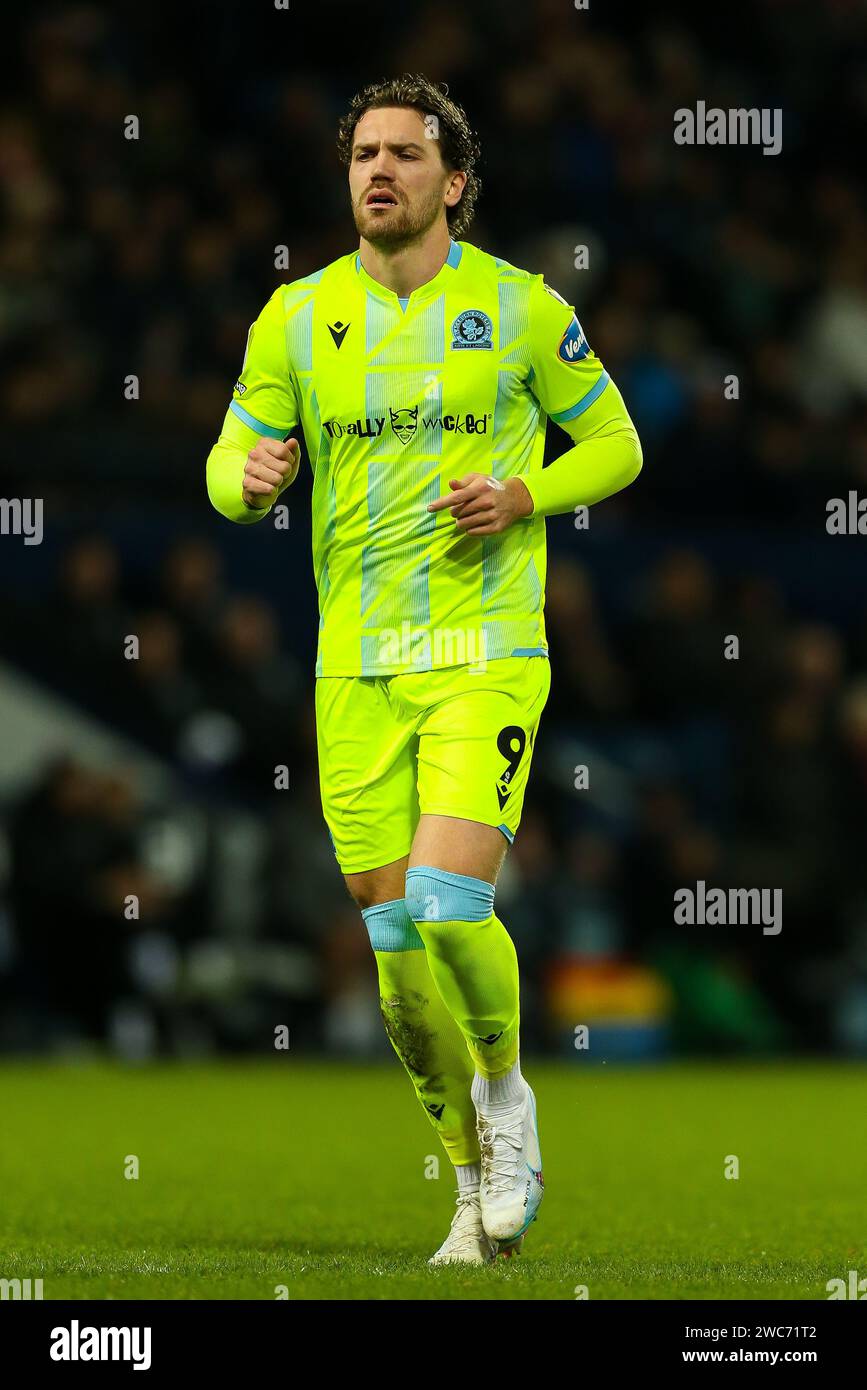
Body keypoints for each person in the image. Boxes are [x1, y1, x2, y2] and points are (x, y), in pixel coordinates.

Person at [206, 73, 642, 1265]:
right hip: (354, 668)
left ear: (454, 182)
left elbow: (616, 441)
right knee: (397, 965)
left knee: (453, 909)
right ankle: (465, 1189)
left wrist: (525, 491)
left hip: (485, 650)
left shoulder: (518, 307)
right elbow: (229, 453)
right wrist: (243, 486)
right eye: (362, 154)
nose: (378, 170)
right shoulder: (295, 318)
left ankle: (509, 1100)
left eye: (405, 153)